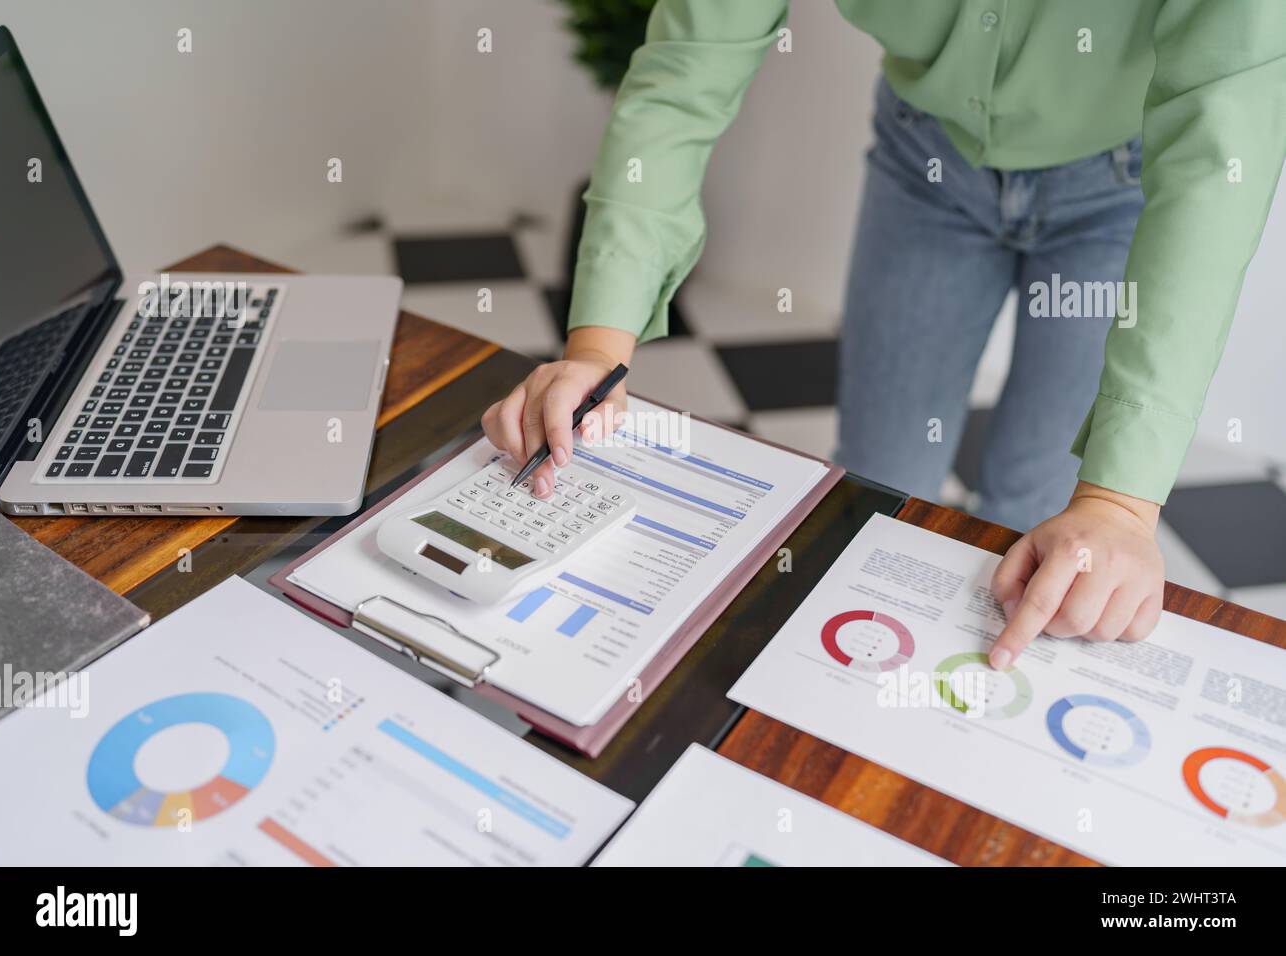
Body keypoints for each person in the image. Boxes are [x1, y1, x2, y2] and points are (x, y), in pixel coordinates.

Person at [481, 1, 1286, 668]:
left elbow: (1221, 156)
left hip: (1123, 182)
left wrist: (1120, 504)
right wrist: (597, 352)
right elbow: (684, 75)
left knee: (1048, 512)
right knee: (879, 486)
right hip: (925, 158)